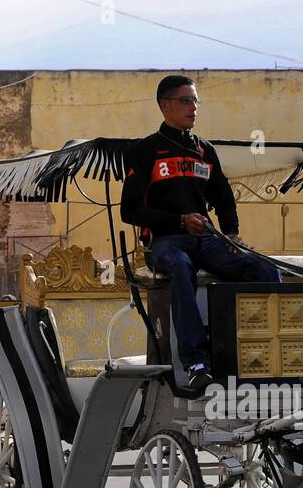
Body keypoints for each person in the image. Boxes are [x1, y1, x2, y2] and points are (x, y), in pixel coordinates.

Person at [120, 74, 280, 392]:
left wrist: (232, 234)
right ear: (165, 106)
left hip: (206, 239)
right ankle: (196, 362)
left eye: (196, 101)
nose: (194, 107)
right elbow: (130, 211)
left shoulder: (204, 150)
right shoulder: (146, 150)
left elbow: (223, 197)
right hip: (163, 243)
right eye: (186, 101)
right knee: (181, 266)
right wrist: (179, 222)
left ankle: (254, 347)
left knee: (263, 268)